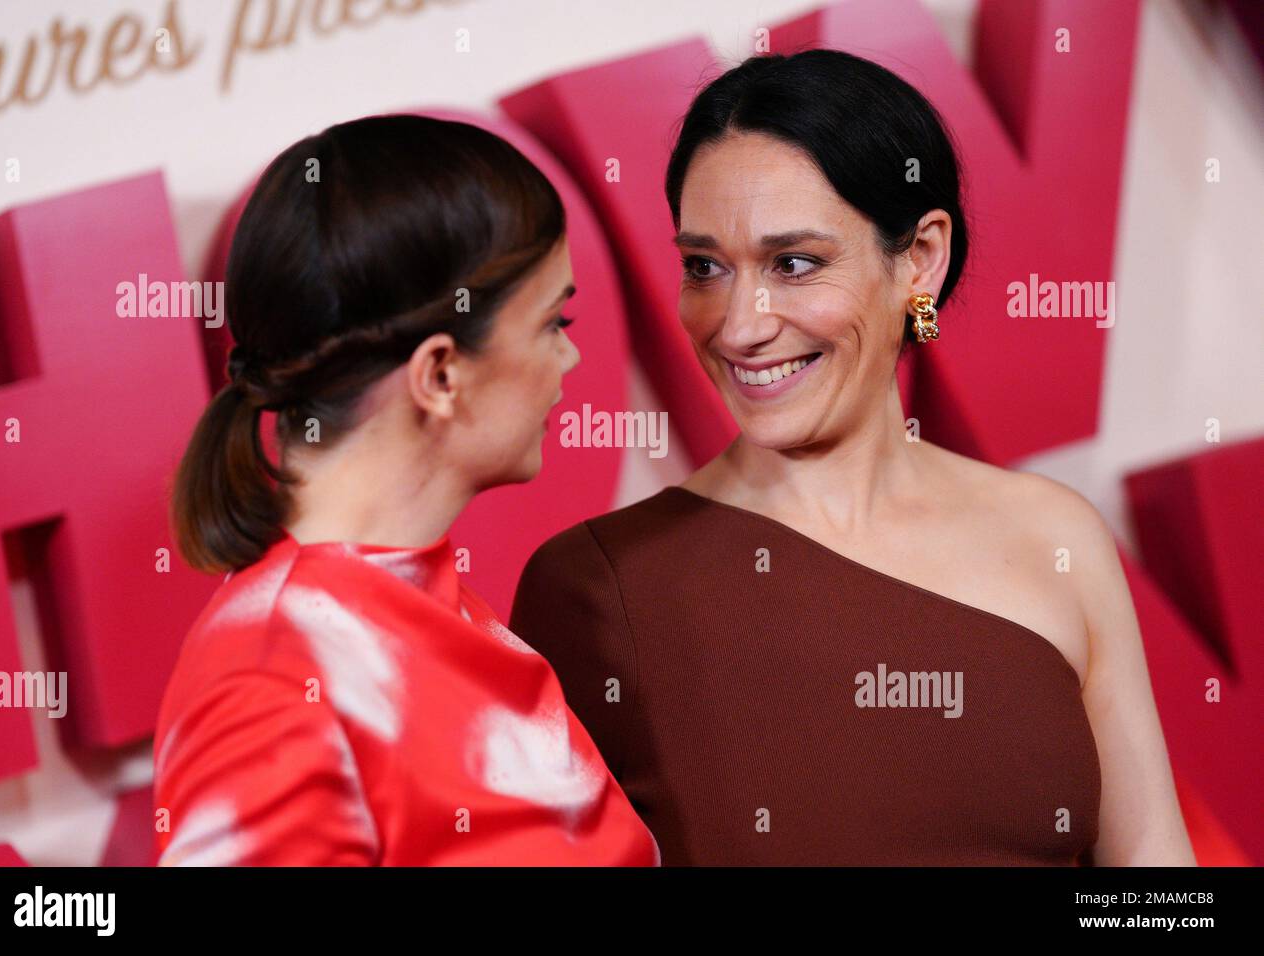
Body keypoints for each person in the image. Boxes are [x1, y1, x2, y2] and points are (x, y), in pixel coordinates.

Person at [509, 50, 1196, 866]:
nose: (738, 326)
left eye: (793, 264)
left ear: (920, 261)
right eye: (705, 268)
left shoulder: (1057, 537)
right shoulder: (594, 588)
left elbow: (1158, 893)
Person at [155, 114, 659, 866]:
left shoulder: (422, 597)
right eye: (554, 321)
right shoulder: (274, 685)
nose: (574, 354)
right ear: (442, 374)